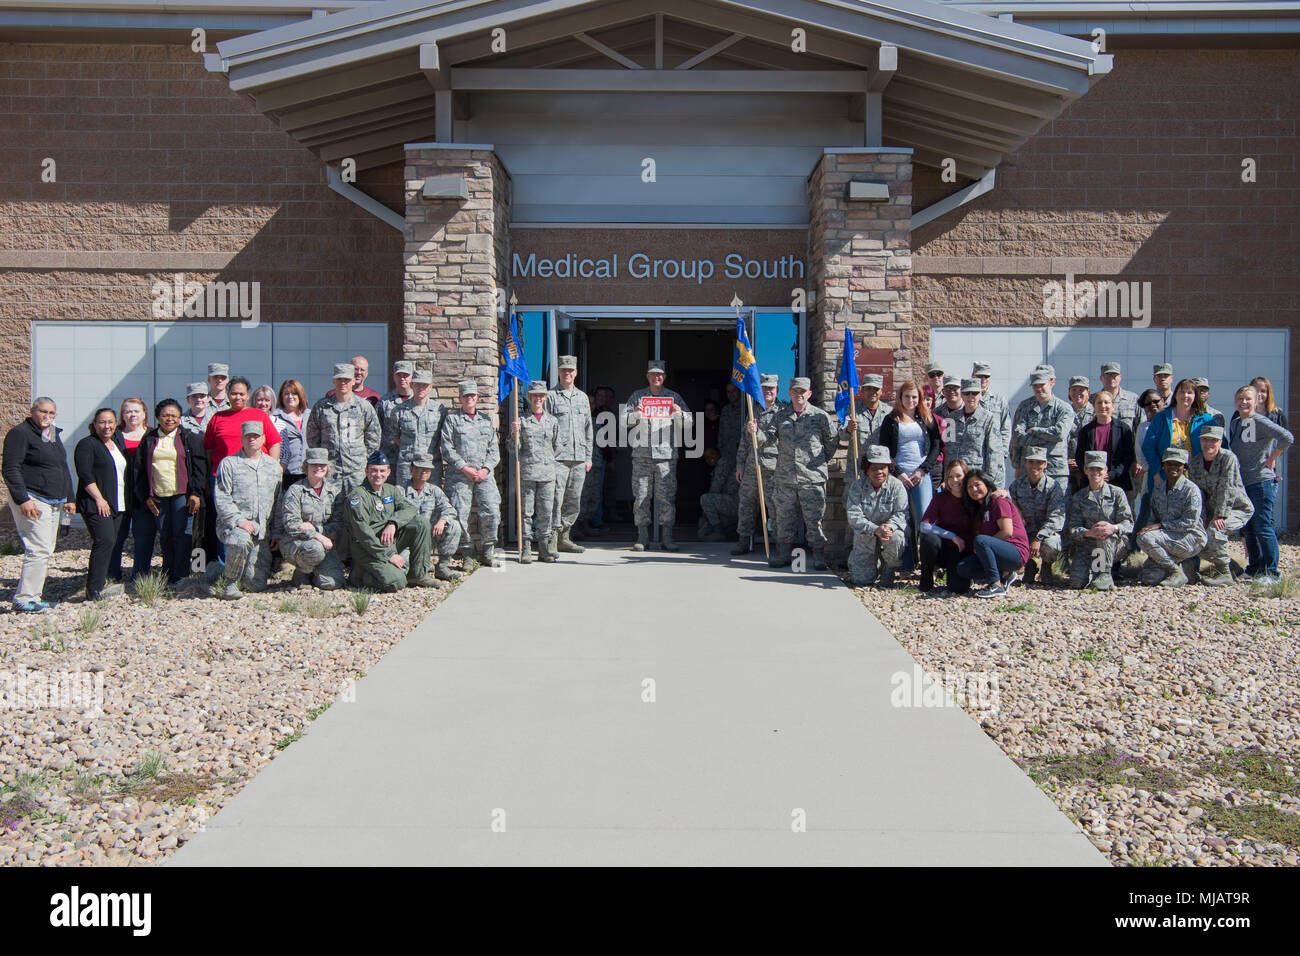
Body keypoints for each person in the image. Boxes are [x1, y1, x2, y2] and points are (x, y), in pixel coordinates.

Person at [750, 376, 836, 570]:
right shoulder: (780, 416)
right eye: (795, 391)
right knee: (784, 519)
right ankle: (783, 554)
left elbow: (832, 440)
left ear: (809, 394)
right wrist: (756, 433)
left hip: (811, 478)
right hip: (785, 478)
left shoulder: (820, 416)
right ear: (789, 393)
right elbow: (769, 439)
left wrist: (820, 461)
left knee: (814, 520)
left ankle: (818, 555)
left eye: (802, 392)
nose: (799, 395)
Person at [2, 398, 75, 612]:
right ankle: (24, 599)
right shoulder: (20, 433)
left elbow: (61, 467)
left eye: (52, 413)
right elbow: (10, 468)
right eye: (44, 412)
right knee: (38, 548)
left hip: (53, 499)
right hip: (34, 498)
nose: (48, 417)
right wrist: (23, 499)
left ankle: (34, 596)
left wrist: (69, 497)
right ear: (33, 411)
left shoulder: (52, 433)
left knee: (46, 549)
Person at [203, 377, 282, 568]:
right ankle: (225, 566)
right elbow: (209, 450)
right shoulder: (217, 417)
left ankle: (256, 565)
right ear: (228, 395)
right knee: (228, 520)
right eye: (233, 393)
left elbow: (273, 443)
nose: (237, 397)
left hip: (255, 477)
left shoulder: (259, 415)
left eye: (241, 394)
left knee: (257, 520)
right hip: (224, 479)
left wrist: (269, 469)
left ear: (248, 396)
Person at [344, 450, 439, 590]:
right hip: (367, 548)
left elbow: (410, 509)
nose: (378, 475)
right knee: (397, 582)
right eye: (374, 470)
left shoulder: (390, 490)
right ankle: (360, 576)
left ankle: (418, 575)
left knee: (421, 523)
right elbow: (362, 533)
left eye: (382, 471)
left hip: (388, 541)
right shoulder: (358, 496)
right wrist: (389, 555)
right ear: (366, 471)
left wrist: (393, 523)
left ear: (388, 472)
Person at [136, 399, 206, 585]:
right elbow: (139, 469)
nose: (170, 419)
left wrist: (195, 493)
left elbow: (199, 468)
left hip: (181, 494)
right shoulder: (149, 439)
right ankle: (168, 573)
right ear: (158, 417)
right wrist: (146, 496)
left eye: (174, 415)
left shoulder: (189, 438)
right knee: (165, 535)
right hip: (158, 494)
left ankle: (181, 575)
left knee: (182, 534)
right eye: (165, 415)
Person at [625, 359, 691, 552]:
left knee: (666, 498)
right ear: (647, 376)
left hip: (666, 457)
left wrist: (679, 413)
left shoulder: (674, 397)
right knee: (641, 497)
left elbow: (689, 422)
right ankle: (642, 536)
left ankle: (667, 537)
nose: (656, 377)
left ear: (664, 376)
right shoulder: (637, 397)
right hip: (642, 456)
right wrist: (634, 415)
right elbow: (623, 420)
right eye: (653, 374)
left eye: (660, 374)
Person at [212, 420, 283, 600]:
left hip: (262, 532)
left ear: (264, 439)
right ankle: (230, 582)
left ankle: (218, 571)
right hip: (235, 527)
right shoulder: (229, 464)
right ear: (242, 439)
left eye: (256, 436)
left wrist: (276, 532)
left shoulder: (273, 467)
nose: (252, 439)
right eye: (248, 436)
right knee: (240, 542)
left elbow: (278, 502)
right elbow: (222, 498)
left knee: (255, 585)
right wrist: (239, 521)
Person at [1230, 384, 1294, 583]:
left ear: (1257, 400)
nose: (1244, 402)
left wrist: (1272, 457)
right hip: (1244, 483)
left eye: (1248, 398)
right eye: (1240, 399)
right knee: (1248, 526)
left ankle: (1272, 571)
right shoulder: (1236, 423)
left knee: (1262, 525)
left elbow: (1286, 437)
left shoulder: (1260, 420)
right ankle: (1255, 567)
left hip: (1260, 481)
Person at [879, 380, 942, 573]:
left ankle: (929, 564)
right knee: (902, 520)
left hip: (920, 475)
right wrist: (898, 473)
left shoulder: (927, 418)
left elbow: (936, 446)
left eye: (914, 397)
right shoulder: (891, 420)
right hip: (900, 477)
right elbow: (885, 450)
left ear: (920, 398)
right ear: (900, 397)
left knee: (925, 519)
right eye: (907, 396)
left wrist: (923, 470)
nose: (911, 400)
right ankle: (905, 564)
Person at [441, 379, 502, 567]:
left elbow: (494, 449)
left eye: (472, 395)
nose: (469, 398)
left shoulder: (486, 420)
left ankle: (488, 550)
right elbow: (447, 448)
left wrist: (485, 470)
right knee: (460, 513)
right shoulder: (452, 420)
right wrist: (464, 468)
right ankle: (466, 553)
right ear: (460, 398)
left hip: (484, 474)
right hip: (460, 475)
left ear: (477, 398)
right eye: (466, 395)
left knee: (492, 510)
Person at [1187, 426, 1253, 587]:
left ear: (1220, 442)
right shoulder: (1195, 463)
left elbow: (1227, 488)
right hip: (1211, 511)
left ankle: (1224, 574)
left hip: (1236, 508)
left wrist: (1220, 515)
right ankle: (1232, 567)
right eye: (1205, 439)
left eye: (1213, 440)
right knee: (1197, 537)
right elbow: (1198, 495)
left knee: (1216, 531)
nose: (1209, 443)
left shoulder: (1228, 458)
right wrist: (1200, 520)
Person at [74, 409, 129, 602]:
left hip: (117, 503)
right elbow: (85, 474)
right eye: (102, 422)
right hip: (96, 504)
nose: (107, 426)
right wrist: (99, 498)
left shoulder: (116, 443)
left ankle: (101, 582)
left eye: (111, 422)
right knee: (104, 541)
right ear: (94, 424)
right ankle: (93, 589)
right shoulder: (87, 445)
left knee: (110, 543)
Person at [1136, 447, 1207, 588]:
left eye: (1177, 464)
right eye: (1169, 464)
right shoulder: (1159, 489)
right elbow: (1152, 518)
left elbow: (1190, 522)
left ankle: (1176, 572)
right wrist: (1152, 548)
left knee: (1144, 538)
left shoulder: (1191, 490)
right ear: (1163, 465)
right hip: (1167, 539)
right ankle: (1185, 567)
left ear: (1184, 467)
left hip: (1190, 537)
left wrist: (1161, 527)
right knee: (1149, 578)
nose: (1173, 467)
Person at [278, 447, 346, 590]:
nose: (318, 468)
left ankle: (313, 572)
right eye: (314, 464)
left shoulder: (334, 492)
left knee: (331, 583)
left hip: (325, 544)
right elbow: (292, 525)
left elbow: (338, 523)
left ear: (327, 468)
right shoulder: (295, 490)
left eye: (322, 465)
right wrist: (318, 536)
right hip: (296, 543)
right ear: (306, 466)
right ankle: (302, 571)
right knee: (315, 548)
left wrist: (316, 529)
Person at [1065, 450, 1134, 590]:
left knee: (1104, 532)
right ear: (1085, 470)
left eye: (1099, 469)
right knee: (1076, 583)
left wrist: (1113, 528)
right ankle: (1095, 572)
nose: (1095, 472)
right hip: (1088, 545)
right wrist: (1089, 533)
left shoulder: (1117, 493)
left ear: (1106, 470)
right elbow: (1073, 527)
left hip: (1113, 544)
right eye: (1091, 468)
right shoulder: (1079, 497)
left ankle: (1104, 574)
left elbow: (1128, 523)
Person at [546, 355, 594, 554]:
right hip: (557, 458)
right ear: (559, 372)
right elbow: (545, 428)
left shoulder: (582, 397)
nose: (567, 373)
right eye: (564, 370)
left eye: (571, 370)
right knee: (556, 499)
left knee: (574, 499)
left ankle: (565, 536)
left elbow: (588, 429)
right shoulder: (550, 396)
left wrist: (589, 457)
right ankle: (551, 538)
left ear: (575, 372)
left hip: (579, 458)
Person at [307, 362, 381, 490]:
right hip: (330, 471)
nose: (343, 383)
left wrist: (362, 459)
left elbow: (373, 437)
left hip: (356, 472)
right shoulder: (322, 407)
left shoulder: (364, 407)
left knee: (357, 507)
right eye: (339, 379)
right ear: (333, 381)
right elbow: (312, 436)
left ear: (353, 381)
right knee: (330, 508)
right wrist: (324, 458)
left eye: (346, 379)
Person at [955, 469, 1028, 598]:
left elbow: (1007, 532)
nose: (974, 489)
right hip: (997, 553)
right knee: (963, 567)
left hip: (1015, 552)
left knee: (981, 540)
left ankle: (996, 585)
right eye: (970, 487)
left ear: (987, 484)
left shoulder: (999, 502)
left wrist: (983, 545)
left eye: (977, 485)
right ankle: (1005, 574)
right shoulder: (980, 509)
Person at [732, 373, 783, 555]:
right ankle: (744, 541)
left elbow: (774, 438)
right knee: (746, 505)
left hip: (772, 468)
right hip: (751, 467)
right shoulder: (753, 412)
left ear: (777, 390)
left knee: (774, 507)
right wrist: (740, 466)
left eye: (771, 388)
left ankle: (779, 545)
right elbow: (744, 443)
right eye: (764, 388)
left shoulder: (782, 414)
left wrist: (757, 433)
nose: (768, 391)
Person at [509, 381, 560, 564]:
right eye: (534, 396)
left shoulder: (552, 421)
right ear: (529, 398)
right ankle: (526, 547)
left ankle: (544, 547)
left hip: (547, 474)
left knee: (546, 511)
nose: (537, 399)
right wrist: (513, 434)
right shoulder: (521, 421)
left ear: (545, 398)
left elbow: (557, 447)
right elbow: (512, 448)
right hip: (528, 473)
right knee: (527, 512)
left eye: (541, 396)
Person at [845, 445, 909, 587]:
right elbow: (854, 515)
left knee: (897, 537)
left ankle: (889, 567)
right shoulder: (857, 486)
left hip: (888, 534)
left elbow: (902, 513)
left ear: (889, 468)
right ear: (867, 469)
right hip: (866, 537)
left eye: (883, 467)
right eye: (874, 468)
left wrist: (889, 527)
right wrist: (875, 529)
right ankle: (873, 563)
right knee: (861, 581)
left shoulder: (897, 486)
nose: (879, 472)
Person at [1141, 377, 1212, 497]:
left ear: (1195, 396)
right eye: (1182, 392)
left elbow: (1219, 446)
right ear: (1175, 395)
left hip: (1197, 481)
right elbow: (1148, 447)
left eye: (1190, 392)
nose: (1185, 395)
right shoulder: (1161, 418)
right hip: (1165, 479)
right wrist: (1157, 475)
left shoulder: (1206, 420)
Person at [106, 397, 150, 584]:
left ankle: (140, 575)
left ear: (144, 414)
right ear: (122, 415)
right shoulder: (113, 436)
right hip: (119, 496)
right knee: (116, 537)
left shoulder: (153, 435)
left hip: (145, 496)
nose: (132, 415)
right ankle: (111, 574)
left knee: (144, 537)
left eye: (136, 411)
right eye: (127, 411)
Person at [400, 453, 462, 581]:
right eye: (420, 468)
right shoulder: (400, 491)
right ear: (411, 469)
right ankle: (419, 569)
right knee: (403, 568)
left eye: (427, 469)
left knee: (453, 525)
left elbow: (449, 509)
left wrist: (442, 520)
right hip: (408, 540)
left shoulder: (434, 490)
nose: (424, 472)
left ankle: (442, 567)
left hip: (429, 536)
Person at [1009, 447, 1066, 586]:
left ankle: (1046, 567)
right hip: (1024, 531)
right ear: (1026, 463)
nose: (1035, 466)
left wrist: (1038, 538)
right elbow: (1012, 511)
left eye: (1039, 462)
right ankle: (1029, 565)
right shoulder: (1017, 485)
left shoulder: (1053, 487)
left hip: (1045, 534)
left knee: (1051, 543)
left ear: (1045, 464)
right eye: (1031, 462)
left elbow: (1056, 518)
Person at [1010, 368, 1073, 487]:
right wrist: (1016, 465)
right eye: (1035, 385)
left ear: (1051, 383)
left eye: (1042, 385)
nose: (1039, 389)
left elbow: (1059, 434)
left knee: (1057, 505)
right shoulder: (1024, 406)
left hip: (1054, 469)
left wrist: (1034, 431)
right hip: (1028, 469)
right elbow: (1017, 437)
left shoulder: (1064, 408)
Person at [918, 458, 972, 597]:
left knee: (958, 588)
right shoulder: (940, 498)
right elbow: (924, 525)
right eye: (950, 477)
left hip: (963, 551)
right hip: (942, 548)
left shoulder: (973, 498)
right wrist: (952, 536)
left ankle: (955, 574)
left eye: (959, 476)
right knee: (928, 539)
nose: (955, 480)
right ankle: (926, 579)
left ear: (966, 476)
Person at [384, 368, 445, 489]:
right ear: (412, 385)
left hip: (430, 464)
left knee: (431, 500)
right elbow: (395, 436)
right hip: (407, 465)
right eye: (417, 384)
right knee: (405, 500)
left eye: (424, 385)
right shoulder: (399, 410)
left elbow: (442, 436)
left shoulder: (439, 410)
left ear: (430, 387)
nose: (421, 388)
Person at [937, 379, 1002, 486]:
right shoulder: (951, 419)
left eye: (975, 393)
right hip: (956, 479)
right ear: (961, 394)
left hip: (977, 477)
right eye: (967, 393)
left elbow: (994, 454)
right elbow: (948, 451)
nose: (971, 397)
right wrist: (947, 478)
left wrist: (990, 482)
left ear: (980, 394)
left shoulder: (989, 419)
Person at [1073, 390, 1135, 495]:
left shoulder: (1124, 429)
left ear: (1113, 406)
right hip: (1091, 483)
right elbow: (1080, 456)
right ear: (1094, 406)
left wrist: (1112, 474)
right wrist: (1092, 474)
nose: (1103, 406)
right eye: (1099, 402)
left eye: (1106, 402)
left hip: (1118, 482)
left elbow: (1128, 456)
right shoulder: (1086, 431)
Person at [839, 373, 893, 487]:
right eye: (868, 389)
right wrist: (848, 429)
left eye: (876, 389)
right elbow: (842, 436)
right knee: (853, 503)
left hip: (880, 470)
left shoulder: (889, 413)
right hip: (857, 469)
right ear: (862, 390)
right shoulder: (852, 410)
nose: (872, 392)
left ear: (881, 391)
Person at [576, 385, 615, 537]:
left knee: (594, 495)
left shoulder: (598, 419)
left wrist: (609, 458)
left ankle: (587, 524)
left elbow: (604, 442)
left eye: (593, 403)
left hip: (597, 462)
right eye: (589, 403)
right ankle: (577, 526)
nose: (591, 406)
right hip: (583, 463)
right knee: (582, 495)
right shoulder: (580, 420)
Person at [972, 362, 1011, 476]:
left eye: (986, 376)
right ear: (973, 376)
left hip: (995, 456)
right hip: (974, 457)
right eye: (979, 376)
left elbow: (1006, 428)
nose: (983, 379)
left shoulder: (999, 400)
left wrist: (1002, 453)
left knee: (994, 490)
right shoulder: (967, 398)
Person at [271, 379, 308, 488]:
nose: (290, 397)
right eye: (286, 394)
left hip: (308, 472)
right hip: (286, 473)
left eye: (294, 393)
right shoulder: (275, 417)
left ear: (300, 395)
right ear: (281, 397)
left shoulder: (310, 415)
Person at [1099, 361, 1142, 435]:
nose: (1111, 378)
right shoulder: (1093, 400)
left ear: (1120, 377)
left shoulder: (1133, 399)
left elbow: (1141, 426)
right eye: (1108, 375)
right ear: (1101, 378)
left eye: (1114, 375)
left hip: (1126, 444)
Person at [1065, 375, 1094, 478]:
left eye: (1081, 390)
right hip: (1068, 469)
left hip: (1091, 469)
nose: (1077, 393)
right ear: (1069, 392)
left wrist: (1082, 461)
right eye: (1074, 389)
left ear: (1088, 392)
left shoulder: (1096, 413)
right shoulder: (1063, 412)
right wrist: (1065, 460)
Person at [378, 360, 415, 430]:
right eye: (398, 375)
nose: (402, 379)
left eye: (405, 375)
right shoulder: (384, 402)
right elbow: (377, 429)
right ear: (394, 377)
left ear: (412, 377)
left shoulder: (418, 400)